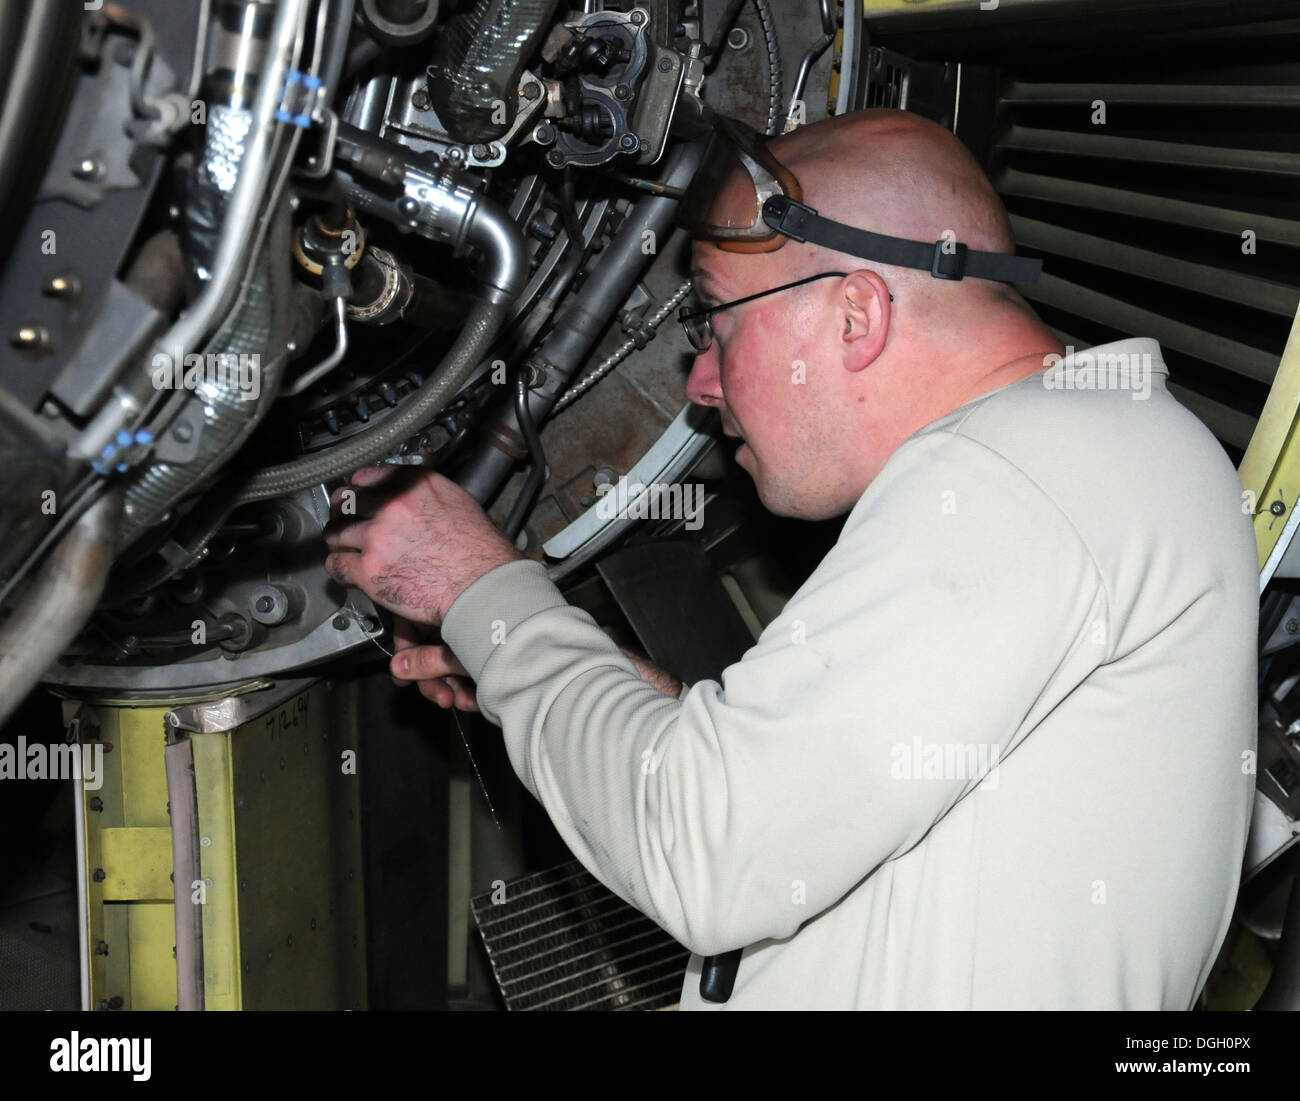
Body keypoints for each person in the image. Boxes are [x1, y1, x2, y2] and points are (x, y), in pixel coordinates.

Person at [323, 108, 1258, 1009]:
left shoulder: (1029, 466)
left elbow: (706, 848)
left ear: (856, 316)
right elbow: (787, 804)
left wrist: (482, 585)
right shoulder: (1092, 457)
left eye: (716, 320)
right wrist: (532, 671)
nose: (697, 383)